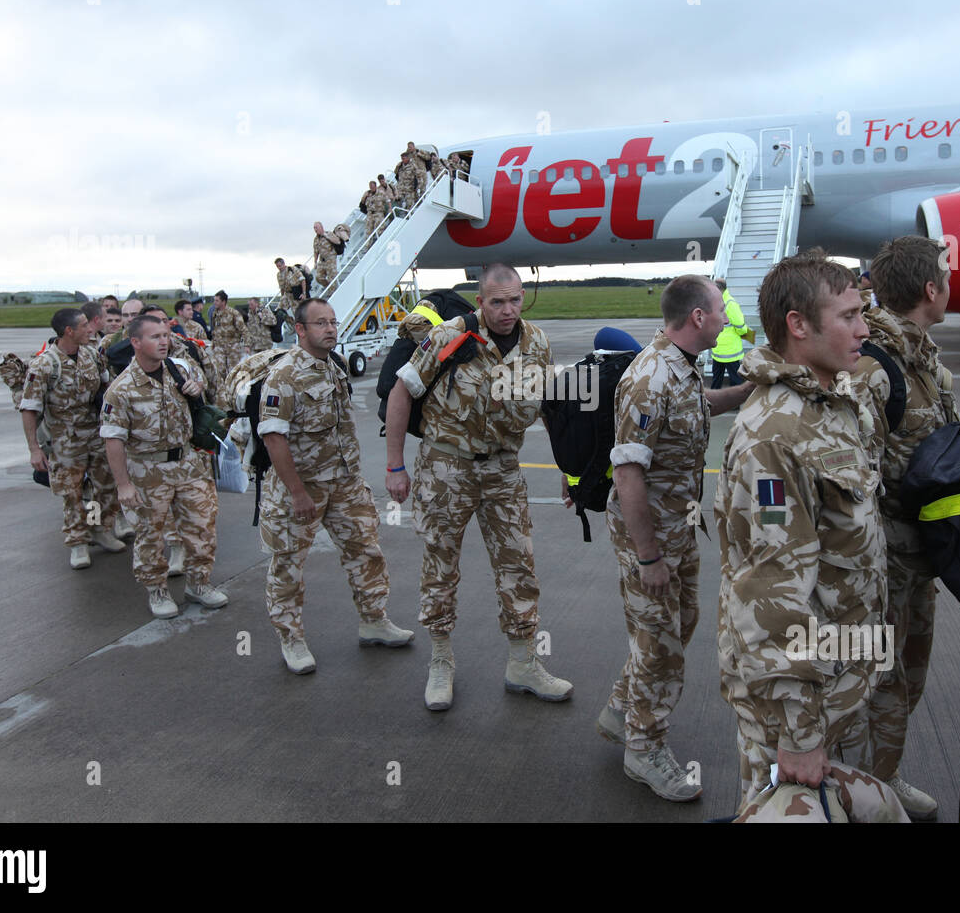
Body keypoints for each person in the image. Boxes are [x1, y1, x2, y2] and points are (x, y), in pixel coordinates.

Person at [715, 248, 902, 821]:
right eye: (848, 316)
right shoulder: (773, 435)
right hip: (796, 700)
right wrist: (798, 732)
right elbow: (771, 593)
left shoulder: (833, 402)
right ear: (799, 325)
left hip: (838, 676)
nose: (864, 330)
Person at [384, 264, 572, 711]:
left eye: (514, 300)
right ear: (480, 301)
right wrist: (395, 466)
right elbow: (401, 392)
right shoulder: (450, 336)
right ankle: (441, 660)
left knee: (518, 565)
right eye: (496, 302)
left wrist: (571, 467)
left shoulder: (537, 343)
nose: (507, 311)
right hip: (446, 468)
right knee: (440, 564)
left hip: (504, 470)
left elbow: (550, 407)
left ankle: (523, 662)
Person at [596, 275, 752, 802]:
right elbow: (628, 475)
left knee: (676, 627)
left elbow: (700, 405)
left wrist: (751, 391)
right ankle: (644, 748)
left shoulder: (681, 369)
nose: (727, 319)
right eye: (720, 311)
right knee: (660, 646)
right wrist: (649, 557)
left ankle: (622, 709)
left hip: (677, 531)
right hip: (652, 539)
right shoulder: (650, 378)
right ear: (698, 318)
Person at [851, 235, 957, 820]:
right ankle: (867, 795)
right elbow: (849, 475)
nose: (952, 285)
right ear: (929, 289)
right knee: (880, 684)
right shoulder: (874, 364)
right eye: (947, 275)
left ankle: (881, 775)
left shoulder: (925, 358)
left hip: (921, 558)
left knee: (907, 680)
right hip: (882, 563)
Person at [258, 298, 413, 672]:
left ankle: (374, 619)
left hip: (344, 483)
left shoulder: (334, 365)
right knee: (288, 566)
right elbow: (274, 438)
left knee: (365, 551)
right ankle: (291, 638)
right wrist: (297, 493)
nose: (330, 329)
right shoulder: (284, 376)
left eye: (333, 322)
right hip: (302, 487)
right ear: (300, 330)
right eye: (320, 324)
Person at [100, 314, 229, 618]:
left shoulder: (177, 371)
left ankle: (199, 584)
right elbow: (113, 441)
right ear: (135, 342)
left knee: (202, 527)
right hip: (148, 470)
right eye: (155, 336)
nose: (163, 341)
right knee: (150, 534)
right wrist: (123, 485)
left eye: (165, 335)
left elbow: (200, 398)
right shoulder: (121, 390)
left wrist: (196, 391)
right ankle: (156, 590)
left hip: (188, 464)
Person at [19, 308, 126, 569]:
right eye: (83, 326)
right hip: (65, 441)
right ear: (69, 331)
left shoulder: (91, 355)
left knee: (102, 487)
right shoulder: (44, 364)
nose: (90, 330)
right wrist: (34, 449)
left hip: (95, 435)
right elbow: (29, 408)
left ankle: (99, 530)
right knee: (72, 493)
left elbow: (107, 388)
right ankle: (77, 542)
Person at [709, 279, 748, 388]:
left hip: (717, 351)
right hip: (731, 352)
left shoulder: (714, 303)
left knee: (716, 381)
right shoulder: (730, 303)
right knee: (736, 382)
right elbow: (740, 326)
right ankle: (734, 404)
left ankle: (714, 403)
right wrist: (745, 332)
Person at [210, 290, 248, 381]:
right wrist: (214, 344)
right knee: (219, 370)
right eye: (214, 300)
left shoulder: (233, 313)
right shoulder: (215, 313)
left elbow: (244, 330)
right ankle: (222, 390)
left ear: (223, 302)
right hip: (219, 346)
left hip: (232, 347)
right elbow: (215, 329)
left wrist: (247, 345)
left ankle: (233, 389)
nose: (214, 303)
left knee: (233, 371)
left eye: (217, 300)